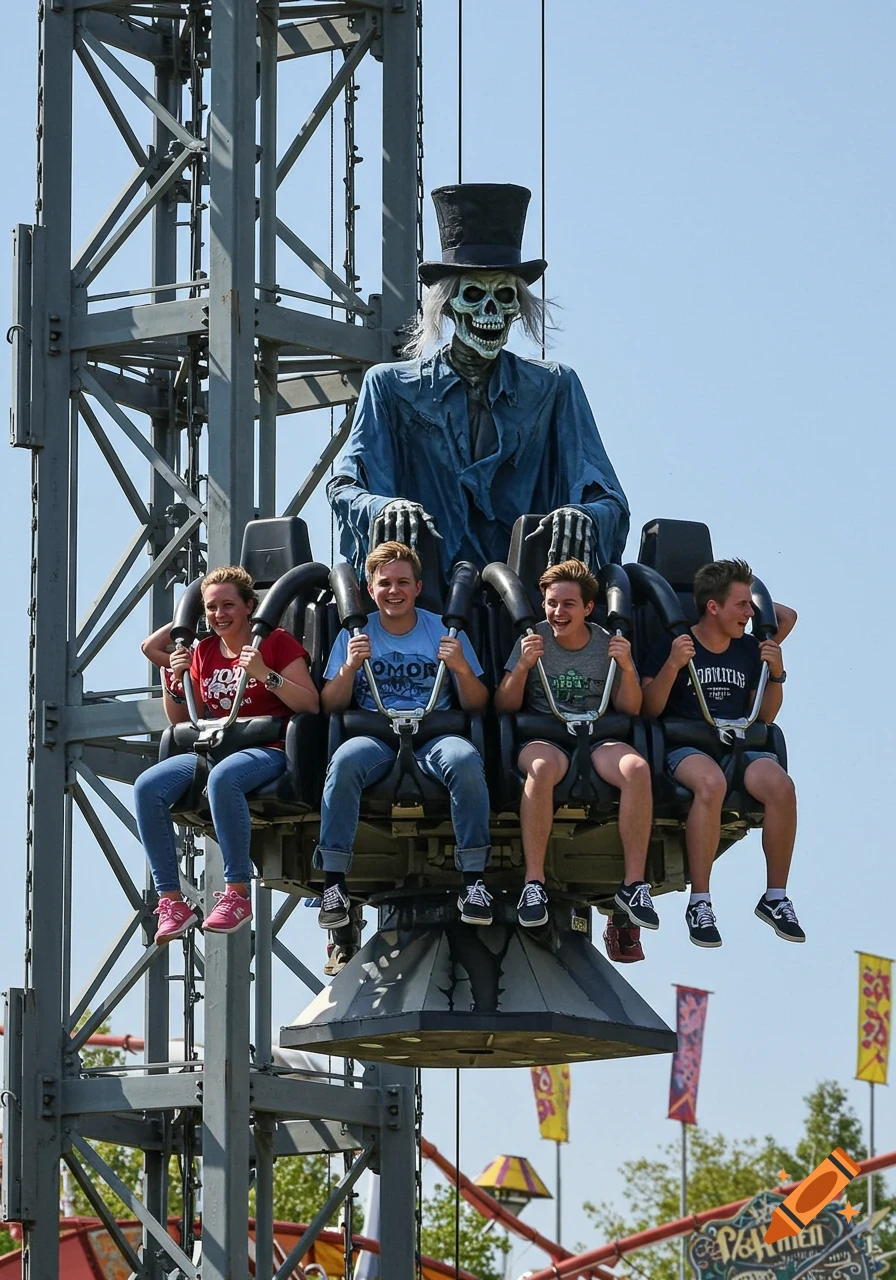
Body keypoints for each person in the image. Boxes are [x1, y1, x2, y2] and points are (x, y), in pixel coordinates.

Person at [328, 183, 628, 590]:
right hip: (425, 599)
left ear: (518, 307)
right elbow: (347, 486)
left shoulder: (555, 386)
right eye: (473, 294)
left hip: (532, 597)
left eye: (504, 296)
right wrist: (385, 507)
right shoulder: (391, 387)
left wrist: (584, 515)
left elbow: (608, 498)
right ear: (449, 304)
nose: (491, 311)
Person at [315, 541, 494, 927]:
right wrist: (349, 667)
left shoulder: (444, 632)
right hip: (377, 739)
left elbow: (478, 703)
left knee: (464, 760)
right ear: (369, 589)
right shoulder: (356, 634)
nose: (393, 591)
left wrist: (461, 667)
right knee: (344, 762)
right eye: (384, 584)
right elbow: (330, 703)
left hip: (433, 736)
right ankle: (333, 881)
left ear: (417, 587)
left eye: (402, 582)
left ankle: (474, 880)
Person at [137, 566, 319, 942]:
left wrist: (265, 673)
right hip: (216, 746)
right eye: (210, 608)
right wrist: (173, 681)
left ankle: (237, 892)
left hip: (268, 748)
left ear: (250, 606)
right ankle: (171, 901)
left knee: (224, 778)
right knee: (147, 787)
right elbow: (183, 718)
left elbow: (311, 703)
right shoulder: (204, 651)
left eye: (228, 605)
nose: (219, 615)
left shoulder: (276, 643)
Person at [641, 559, 801, 949]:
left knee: (782, 786)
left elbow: (765, 714)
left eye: (751, 605)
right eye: (742, 605)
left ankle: (775, 897)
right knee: (709, 783)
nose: (750, 614)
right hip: (687, 747)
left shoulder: (748, 649)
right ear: (712, 607)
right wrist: (674, 665)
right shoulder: (673, 643)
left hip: (739, 746)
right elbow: (648, 708)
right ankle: (700, 901)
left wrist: (775, 674)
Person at [495, 559, 659, 932]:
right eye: (552, 603)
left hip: (597, 736)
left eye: (568, 604)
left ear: (587, 608)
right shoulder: (532, 638)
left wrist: (627, 667)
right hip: (545, 738)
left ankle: (633, 884)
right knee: (541, 769)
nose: (557, 612)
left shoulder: (605, 642)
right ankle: (533, 883)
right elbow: (503, 705)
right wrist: (521, 667)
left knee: (636, 769)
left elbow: (631, 709)